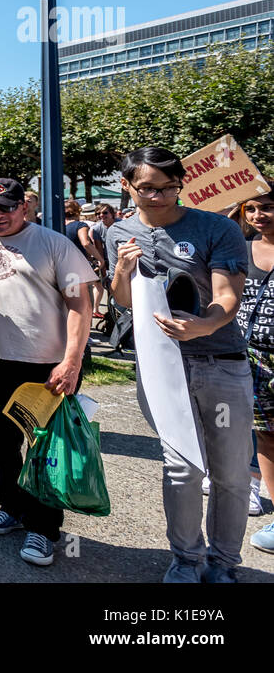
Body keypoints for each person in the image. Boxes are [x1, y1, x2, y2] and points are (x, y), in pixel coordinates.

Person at [104, 147, 250, 583]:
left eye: (169, 187)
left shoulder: (217, 227)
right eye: (147, 188)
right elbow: (123, 301)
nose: (160, 197)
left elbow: (228, 296)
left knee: (229, 472)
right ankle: (185, 560)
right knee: (182, 467)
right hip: (161, 366)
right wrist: (122, 273)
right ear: (127, 186)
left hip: (220, 361)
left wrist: (204, 324)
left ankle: (222, 564)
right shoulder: (119, 233)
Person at [0, 176, 95, 568]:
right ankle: (11, 507)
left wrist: (72, 361)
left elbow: (81, 304)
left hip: (48, 364)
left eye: (5, 207)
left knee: (45, 450)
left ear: (24, 207)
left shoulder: (53, 244)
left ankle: (44, 529)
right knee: (1, 442)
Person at [235, 192, 274, 554]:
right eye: (252, 209)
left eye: (267, 207)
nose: (259, 215)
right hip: (253, 356)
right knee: (264, 436)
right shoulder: (243, 248)